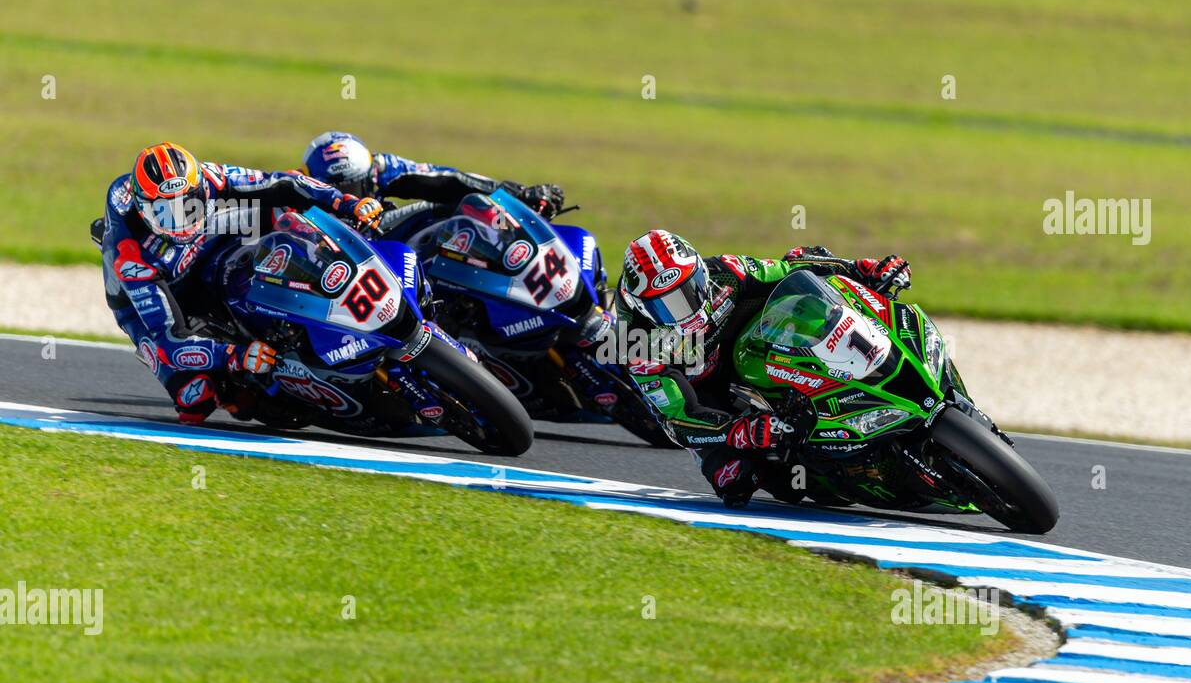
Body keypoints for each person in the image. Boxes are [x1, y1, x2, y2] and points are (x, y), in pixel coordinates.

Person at [614, 230, 911, 507]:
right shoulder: (635, 344)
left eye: (689, 291)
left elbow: (792, 267)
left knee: (808, 290)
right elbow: (678, 419)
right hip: (700, 390)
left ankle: (848, 385)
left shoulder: (727, 272)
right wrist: (739, 431)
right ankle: (824, 465)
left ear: (700, 273)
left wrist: (862, 268)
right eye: (666, 305)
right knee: (737, 480)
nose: (686, 308)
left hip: (752, 344)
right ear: (640, 305)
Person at [97, 141, 386, 423]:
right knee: (195, 400)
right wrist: (236, 355)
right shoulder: (131, 258)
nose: (179, 220)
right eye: (163, 213)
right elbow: (168, 342)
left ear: (200, 189)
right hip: (152, 288)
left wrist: (346, 203)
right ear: (141, 209)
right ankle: (242, 389)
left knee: (281, 207)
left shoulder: (209, 177)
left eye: (188, 206)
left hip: (205, 243)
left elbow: (283, 182)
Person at [300, 131, 565, 238]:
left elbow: (449, 180)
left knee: (445, 209)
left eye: (354, 188)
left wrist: (518, 194)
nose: (348, 197)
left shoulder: (381, 168)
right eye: (336, 188)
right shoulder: (296, 191)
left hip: (386, 244)